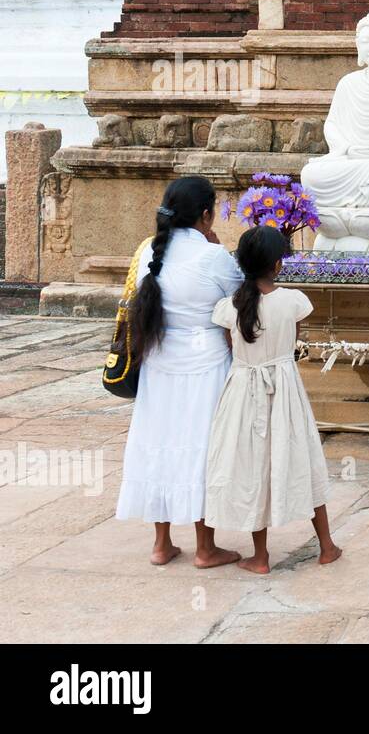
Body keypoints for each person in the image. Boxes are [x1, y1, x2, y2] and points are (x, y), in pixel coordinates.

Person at [116, 176, 243, 568]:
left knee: (159, 443)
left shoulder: (149, 252)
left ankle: (162, 543)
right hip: (205, 360)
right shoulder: (212, 256)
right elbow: (239, 298)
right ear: (206, 215)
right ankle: (206, 548)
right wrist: (219, 249)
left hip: (159, 359)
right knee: (203, 447)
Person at [205, 226, 340, 574]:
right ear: (278, 265)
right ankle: (326, 546)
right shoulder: (293, 300)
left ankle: (260, 556)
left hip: (242, 392)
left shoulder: (230, 306)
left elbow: (230, 340)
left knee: (252, 466)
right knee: (304, 459)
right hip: (285, 392)